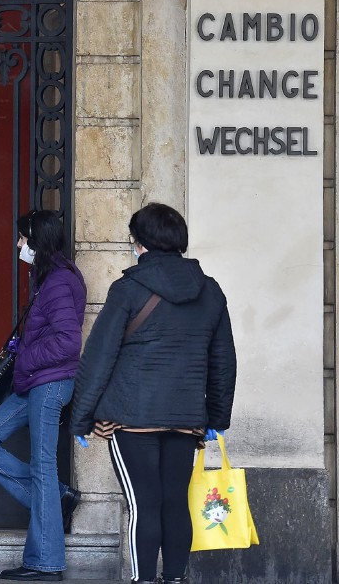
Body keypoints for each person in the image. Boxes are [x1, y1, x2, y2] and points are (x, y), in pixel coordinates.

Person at [70, 203, 236, 584]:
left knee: (145, 505)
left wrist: (80, 418)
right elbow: (224, 361)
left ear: (139, 243)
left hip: (132, 420)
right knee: (176, 502)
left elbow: (98, 357)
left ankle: (144, 580)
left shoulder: (127, 289)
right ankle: (176, 579)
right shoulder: (210, 292)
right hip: (187, 419)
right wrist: (217, 419)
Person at [0, 210, 86, 582]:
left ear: (38, 240)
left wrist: (26, 358)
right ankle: (57, 498)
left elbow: (69, 342)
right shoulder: (50, 278)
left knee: (42, 465)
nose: (19, 245)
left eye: (23, 239)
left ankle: (45, 561)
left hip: (47, 383)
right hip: (34, 382)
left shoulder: (59, 282)